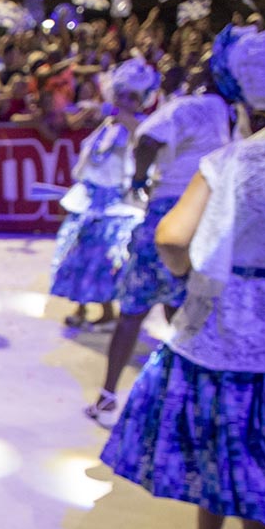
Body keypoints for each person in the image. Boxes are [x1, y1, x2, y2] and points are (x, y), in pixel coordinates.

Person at [101, 25, 265, 529]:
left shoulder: (230, 161)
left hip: (220, 328)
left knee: (226, 444)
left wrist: (194, 280)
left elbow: (173, 238)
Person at [84, 53, 232, 426]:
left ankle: (111, 397)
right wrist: (140, 178)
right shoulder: (213, 111)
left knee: (143, 309)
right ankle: (186, 406)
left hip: (180, 213)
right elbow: (147, 137)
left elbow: (148, 137)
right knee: (179, 311)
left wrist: (140, 180)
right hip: (194, 215)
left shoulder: (212, 110)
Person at [50, 57, 159, 331]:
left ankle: (109, 311)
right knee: (77, 255)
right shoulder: (106, 125)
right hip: (90, 201)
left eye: (132, 98)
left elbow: (142, 137)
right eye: (121, 95)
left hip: (115, 205)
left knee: (104, 260)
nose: (124, 102)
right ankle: (82, 307)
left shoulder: (140, 126)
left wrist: (121, 115)